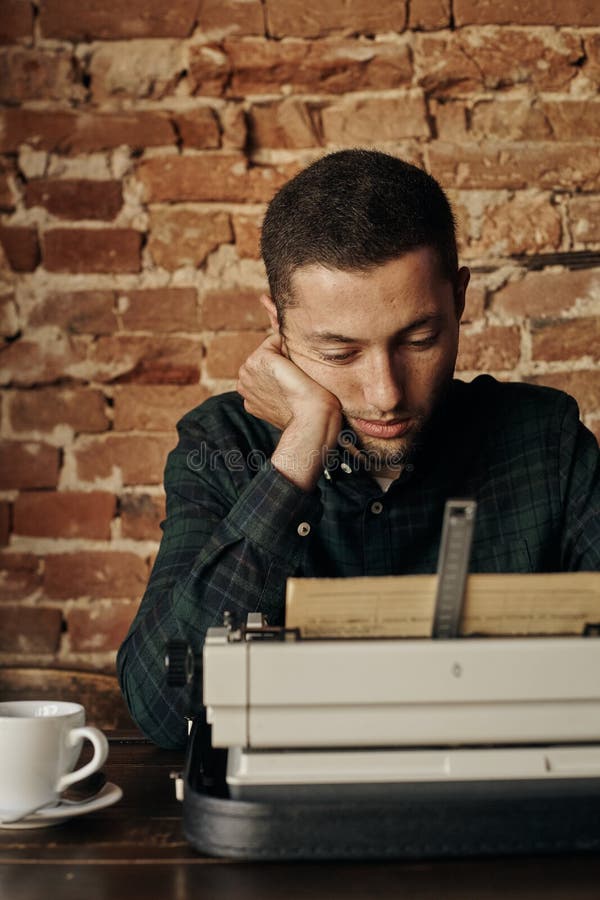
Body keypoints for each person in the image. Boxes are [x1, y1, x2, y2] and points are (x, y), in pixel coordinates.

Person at [117, 149, 600, 749]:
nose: (386, 393)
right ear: (279, 325)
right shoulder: (221, 446)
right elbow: (162, 711)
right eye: (339, 354)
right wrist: (298, 451)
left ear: (461, 299)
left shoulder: (546, 440)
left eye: (420, 339)